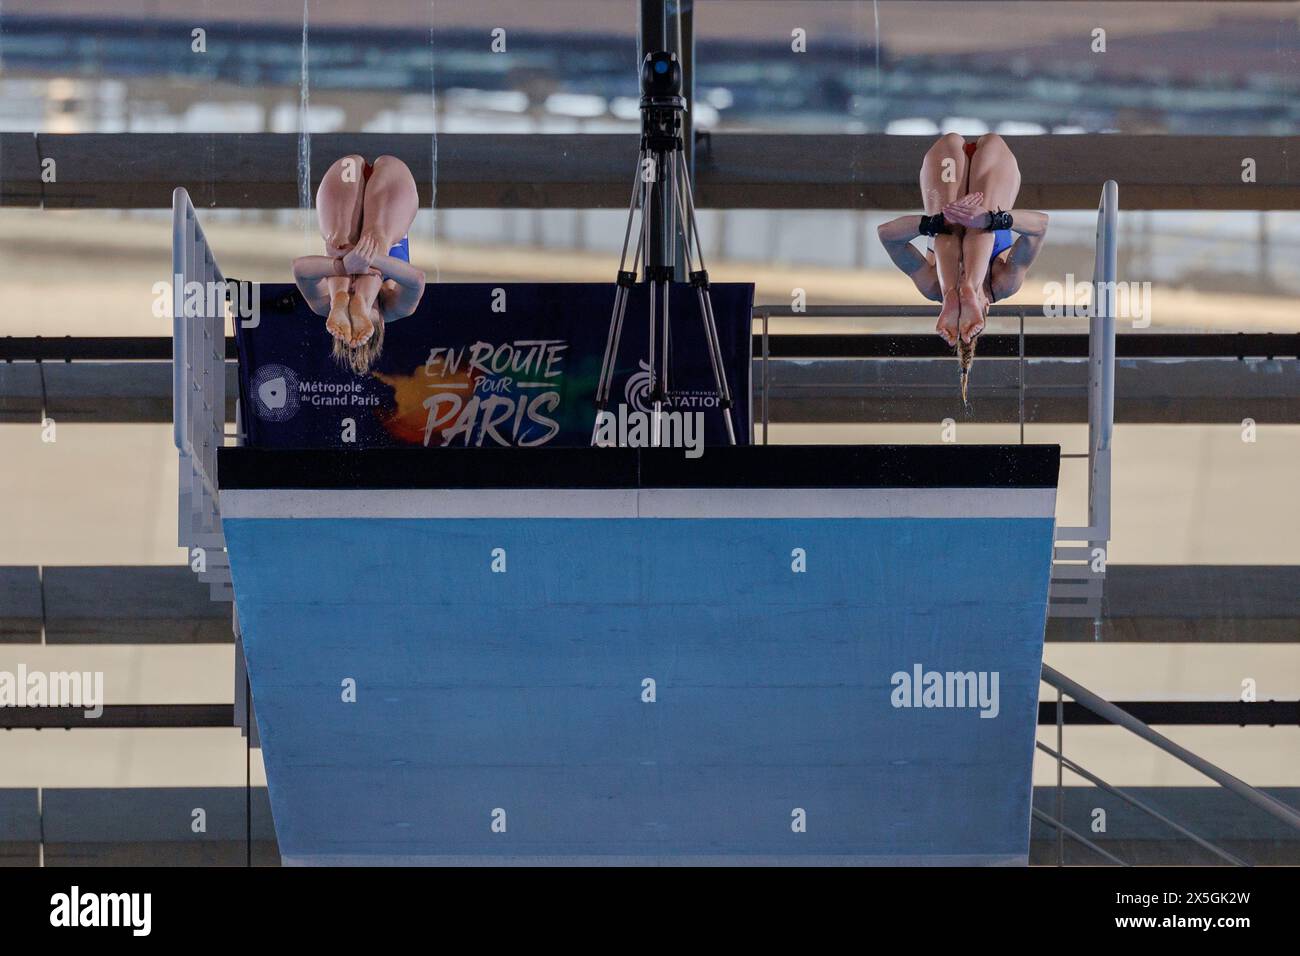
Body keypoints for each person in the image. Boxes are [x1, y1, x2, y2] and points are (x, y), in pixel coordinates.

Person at [876, 133, 1049, 398]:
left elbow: (886, 234)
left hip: (946, 197)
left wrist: (934, 223)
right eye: (967, 301)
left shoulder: (932, 285)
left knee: (950, 228)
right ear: (986, 305)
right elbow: (1040, 226)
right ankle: (967, 286)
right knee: (979, 223)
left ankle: (959, 288)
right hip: (991, 190)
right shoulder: (1002, 283)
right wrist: (994, 219)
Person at [291, 154, 426, 375]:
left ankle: (341, 297)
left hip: (343, 211)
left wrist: (344, 265)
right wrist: (367, 259)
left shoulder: (321, 306)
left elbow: (299, 269)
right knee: (377, 238)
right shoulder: (395, 308)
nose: (353, 290)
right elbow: (417, 280)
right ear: (381, 323)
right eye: (366, 310)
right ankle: (358, 296)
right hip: (391, 196)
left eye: (351, 303)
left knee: (338, 241)